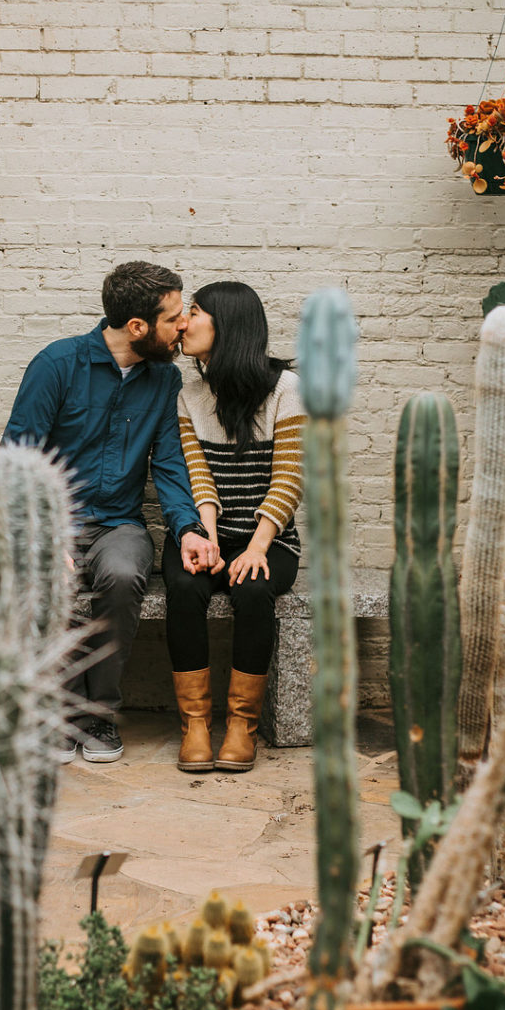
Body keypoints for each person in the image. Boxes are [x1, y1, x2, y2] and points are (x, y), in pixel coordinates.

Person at [2, 262, 218, 762]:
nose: (183, 325)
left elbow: (167, 461)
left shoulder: (163, 380)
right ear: (137, 327)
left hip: (120, 523)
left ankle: (98, 718)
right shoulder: (58, 365)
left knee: (122, 577)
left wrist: (187, 527)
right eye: (173, 318)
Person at [164, 281, 304, 772]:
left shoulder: (288, 391)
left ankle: (241, 724)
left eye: (195, 312)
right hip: (212, 530)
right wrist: (208, 539)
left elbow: (289, 478)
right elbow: (198, 475)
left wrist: (258, 546)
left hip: (271, 536)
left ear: (228, 324)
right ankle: (196, 724)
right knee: (183, 584)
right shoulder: (190, 397)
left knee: (253, 588)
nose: (184, 323)